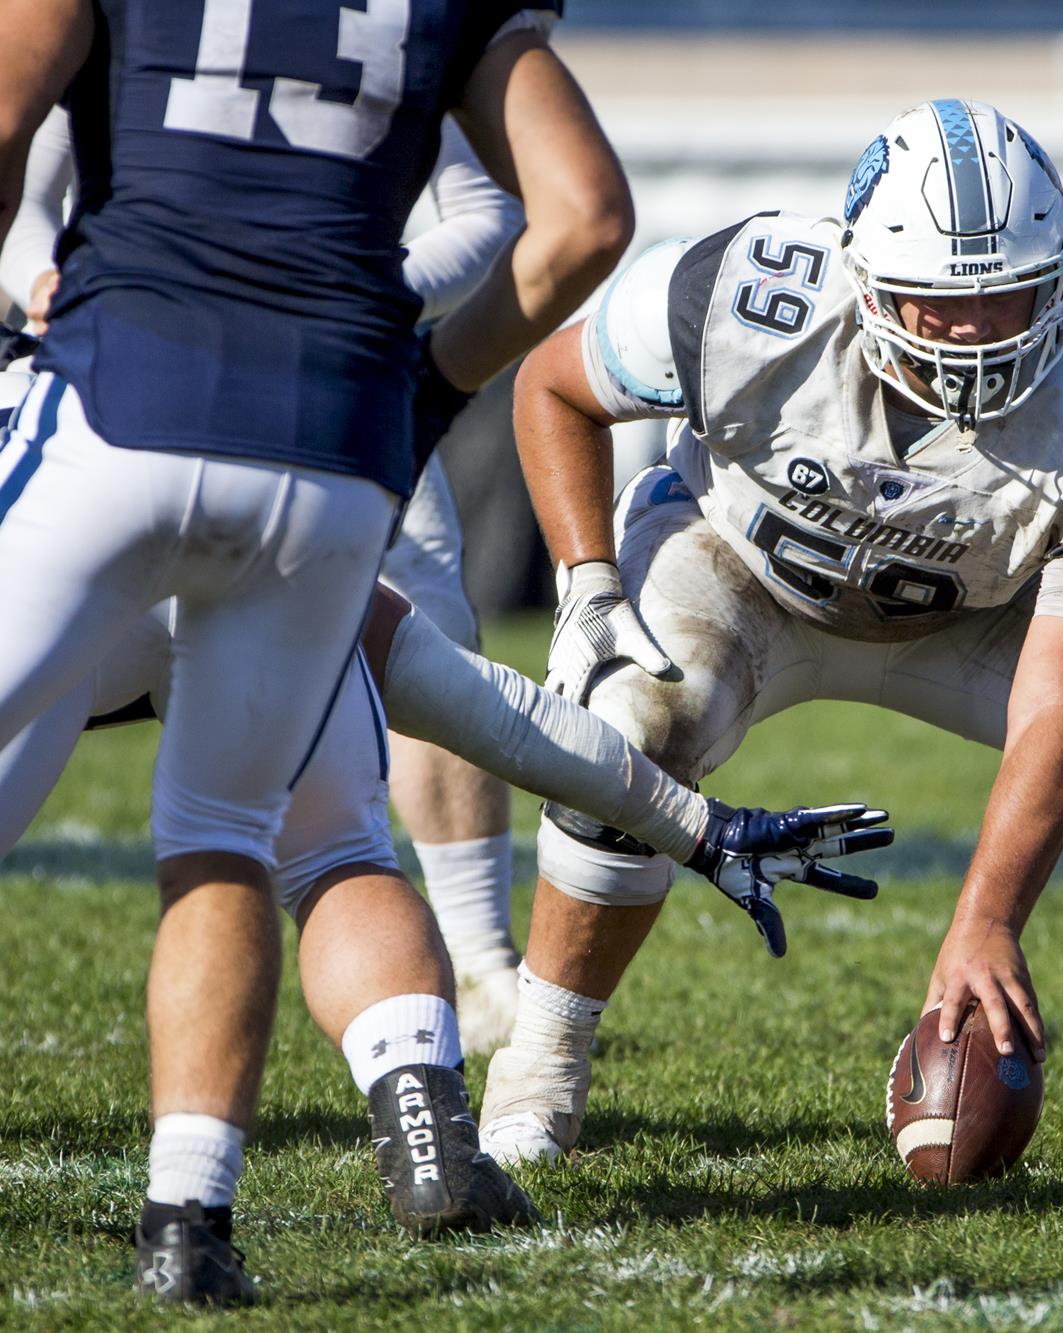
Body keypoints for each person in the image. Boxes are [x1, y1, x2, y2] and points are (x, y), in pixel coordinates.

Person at [479, 99, 1063, 1180]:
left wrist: (985, 920)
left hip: (972, 617)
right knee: (632, 710)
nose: (978, 335)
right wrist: (588, 585)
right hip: (742, 570)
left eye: (1007, 298)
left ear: (1061, 270)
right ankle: (538, 1069)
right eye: (942, 307)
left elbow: (1055, 718)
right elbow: (550, 387)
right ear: (866, 276)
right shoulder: (743, 297)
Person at [0, 0, 631, 1304]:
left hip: (110, 404)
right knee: (270, 835)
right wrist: (429, 386)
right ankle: (190, 1221)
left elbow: (5, 116)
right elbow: (584, 217)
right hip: (327, 446)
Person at [0, 109, 533, 1052]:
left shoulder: (388, 20)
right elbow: (23, 171)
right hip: (116, 396)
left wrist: (351, 298)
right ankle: (409, 1091)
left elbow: (491, 214)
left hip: (316, 395)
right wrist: (48, 283)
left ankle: (481, 964)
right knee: (291, 832)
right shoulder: (121, 23)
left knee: (411, 655)